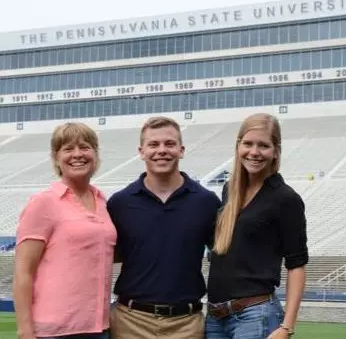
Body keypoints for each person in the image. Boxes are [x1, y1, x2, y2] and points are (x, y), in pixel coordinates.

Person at [107, 116, 221, 339]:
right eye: (153, 144)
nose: (162, 150)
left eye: (169, 144)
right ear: (141, 151)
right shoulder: (120, 203)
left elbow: (224, 256)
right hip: (130, 322)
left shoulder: (207, 202)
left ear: (181, 150)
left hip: (186, 324)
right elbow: (107, 257)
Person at [206, 113, 309, 339]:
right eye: (248, 144)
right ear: (238, 146)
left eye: (264, 145)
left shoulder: (285, 199)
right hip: (215, 317)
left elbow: (296, 265)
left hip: (255, 315)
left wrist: (287, 327)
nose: (254, 152)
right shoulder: (229, 190)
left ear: (275, 151)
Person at [13, 122, 117, 339]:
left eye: (85, 147)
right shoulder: (44, 203)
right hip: (55, 332)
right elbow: (23, 272)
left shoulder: (103, 203)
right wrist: (26, 332)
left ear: (95, 154)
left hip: (98, 328)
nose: (77, 154)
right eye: (68, 149)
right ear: (56, 157)